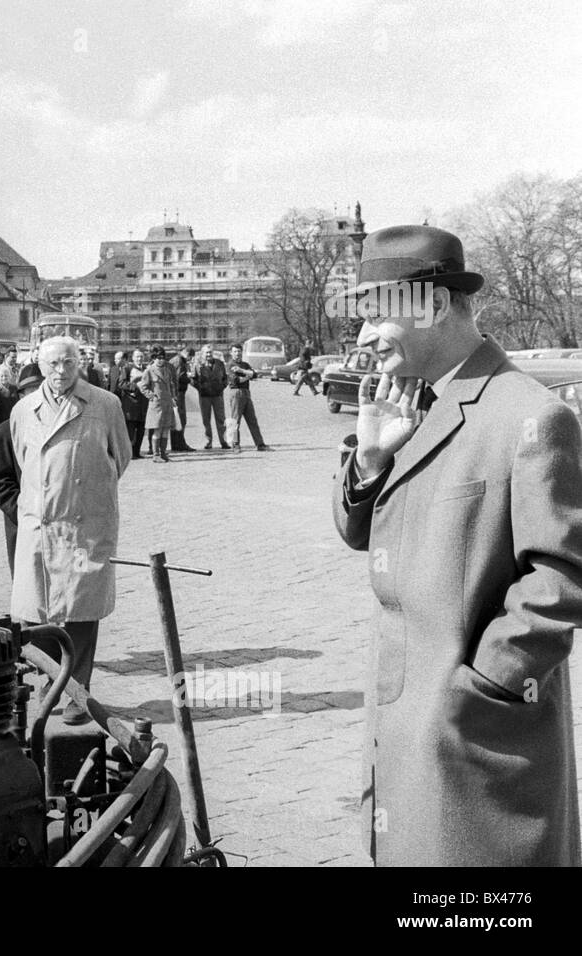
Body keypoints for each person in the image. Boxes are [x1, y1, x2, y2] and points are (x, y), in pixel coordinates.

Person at [331, 224, 582, 867]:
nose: (360, 337)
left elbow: (561, 578)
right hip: (404, 725)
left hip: (478, 737)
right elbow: (356, 531)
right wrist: (368, 458)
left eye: (374, 316)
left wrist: (482, 689)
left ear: (434, 306)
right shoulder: (406, 402)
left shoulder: (529, 415)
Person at [11, 336, 131, 723]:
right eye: (52, 365)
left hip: (84, 524)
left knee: (81, 611)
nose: (60, 372)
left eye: (68, 363)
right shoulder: (23, 409)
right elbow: (22, 459)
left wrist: (86, 493)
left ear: (80, 363)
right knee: (38, 613)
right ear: (38, 366)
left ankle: (78, 693)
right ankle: (51, 684)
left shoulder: (104, 404)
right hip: (40, 524)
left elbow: (121, 458)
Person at [0, 362, 43, 573]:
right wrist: (26, 514)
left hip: (60, 528)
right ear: (21, 396)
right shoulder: (5, 432)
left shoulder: (58, 428)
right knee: (29, 588)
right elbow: (1, 486)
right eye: (33, 392)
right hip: (23, 526)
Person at [224, 343, 269, 451]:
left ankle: (260, 444)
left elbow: (255, 374)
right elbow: (236, 380)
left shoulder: (245, 364)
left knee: (252, 420)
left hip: (246, 393)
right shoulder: (229, 365)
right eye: (235, 351)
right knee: (235, 421)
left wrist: (242, 371)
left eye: (239, 351)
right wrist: (249, 375)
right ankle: (235, 444)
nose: (237, 353)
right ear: (231, 353)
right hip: (236, 393)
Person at [139, 346, 178, 462]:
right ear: (153, 358)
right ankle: (156, 455)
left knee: (166, 430)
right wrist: (151, 396)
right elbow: (143, 386)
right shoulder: (149, 371)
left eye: (162, 358)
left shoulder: (167, 370)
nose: (161, 360)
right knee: (157, 430)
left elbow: (171, 385)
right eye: (158, 358)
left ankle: (163, 453)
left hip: (167, 404)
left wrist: (173, 397)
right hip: (156, 404)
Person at [191, 344, 229, 449]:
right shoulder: (198, 365)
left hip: (218, 396)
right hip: (204, 396)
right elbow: (193, 379)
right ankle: (208, 441)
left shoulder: (220, 364)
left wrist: (221, 387)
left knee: (221, 419)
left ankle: (223, 441)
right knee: (206, 419)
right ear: (202, 354)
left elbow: (226, 378)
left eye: (210, 352)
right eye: (206, 352)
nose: (208, 354)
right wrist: (200, 388)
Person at [115, 348, 150, 459]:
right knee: (130, 431)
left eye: (141, 357)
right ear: (133, 358)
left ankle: (137, 452)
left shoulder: (146, 369)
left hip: (143, 404)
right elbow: (121, 383)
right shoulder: (127, 369)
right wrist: (134, 387)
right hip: (131, 404)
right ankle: (129, 453)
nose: (139, 359)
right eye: (137, 357)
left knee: (141, 430)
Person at [168, 347, 196, 451]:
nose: (190, 360)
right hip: (178, 393)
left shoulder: (174, 359)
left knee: (176, 419)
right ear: (187, 354)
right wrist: (190, 377)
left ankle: (176, 444)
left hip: (174, 392)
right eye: (191, 357)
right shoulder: (180, 361)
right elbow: (179, 378)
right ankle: (180, 444)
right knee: (181, 419)